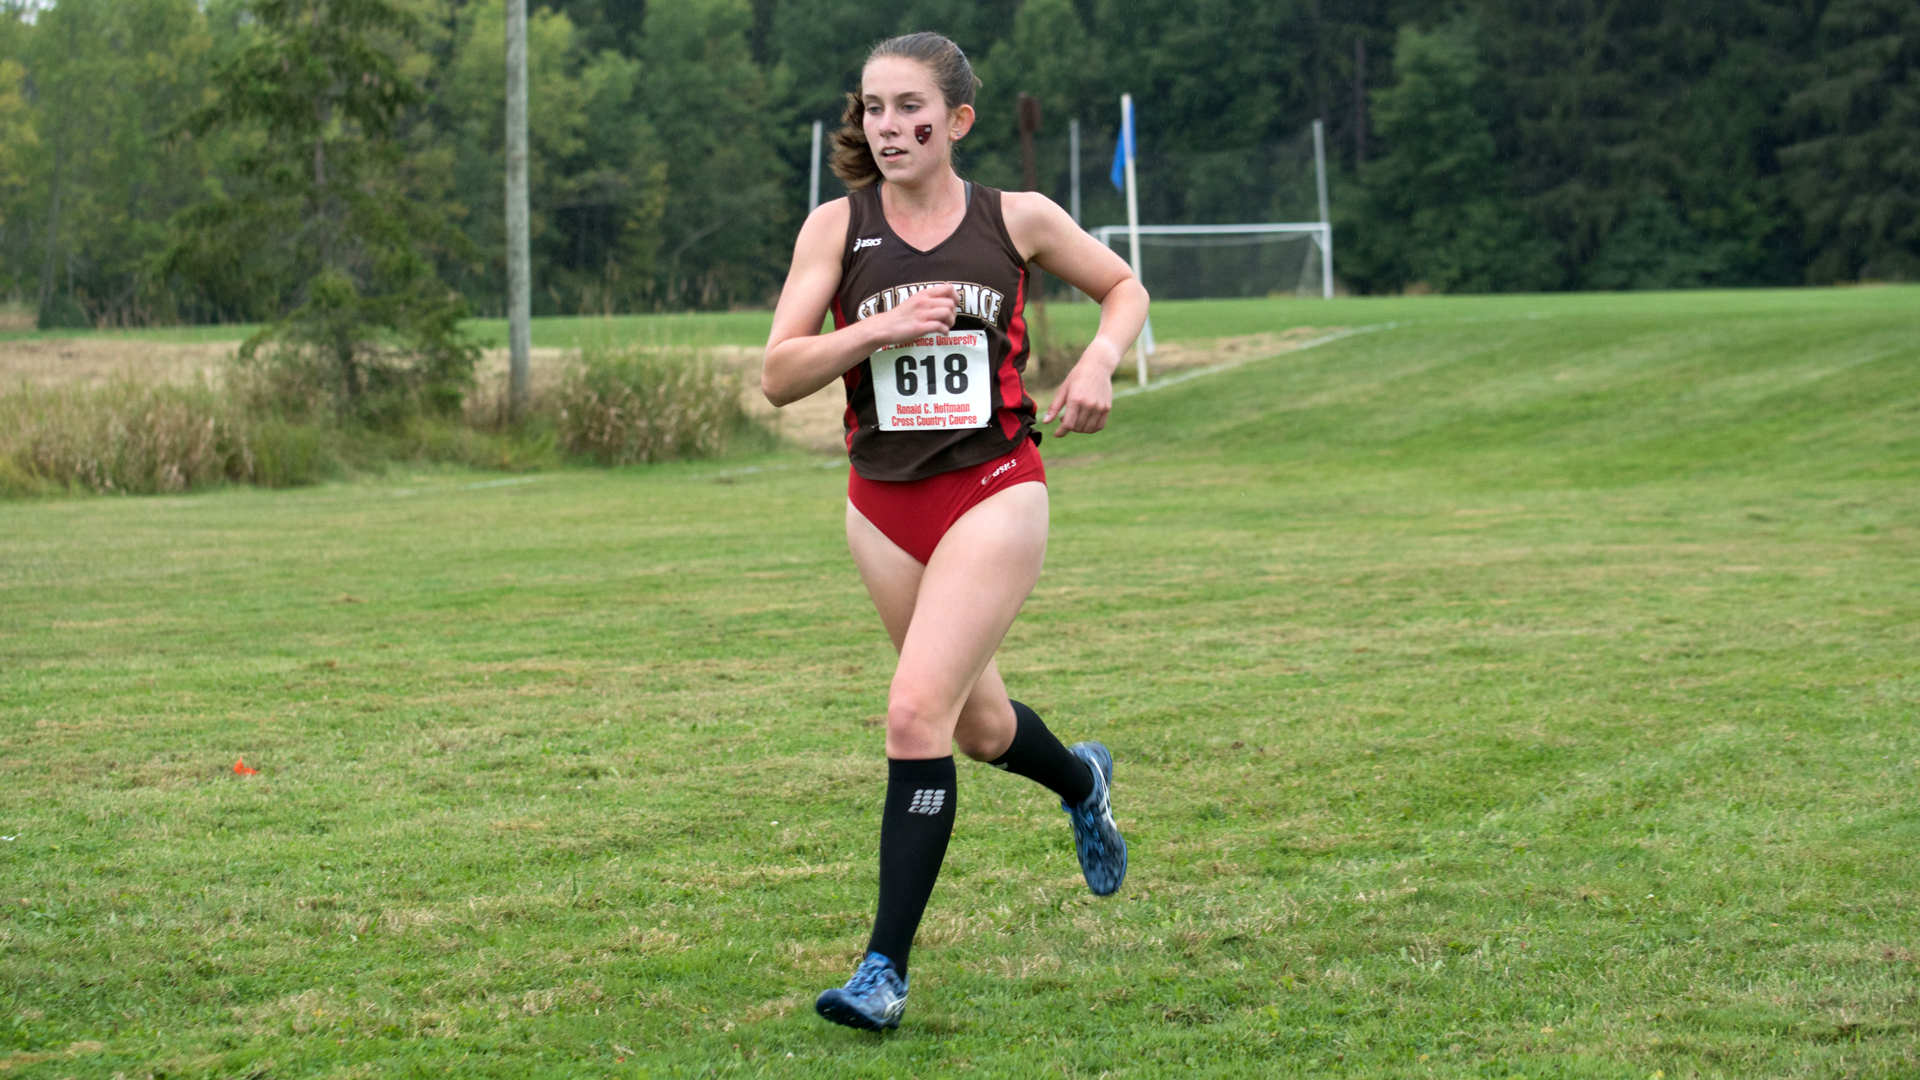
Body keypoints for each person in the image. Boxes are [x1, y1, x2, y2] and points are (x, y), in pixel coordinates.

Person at [761, 31, 1150, 1032]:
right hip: (881, 505)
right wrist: (873, 329)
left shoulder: (1016, 218)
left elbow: (1124, 287)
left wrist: (1099, 359)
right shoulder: (835, 229)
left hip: (995, 488)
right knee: (977, 730)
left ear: (958, 119)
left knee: (911, 716)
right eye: (872, 108)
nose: (887, 127)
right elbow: (779, 375)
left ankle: (881, 973)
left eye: (909, 108)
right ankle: (1082, 779)